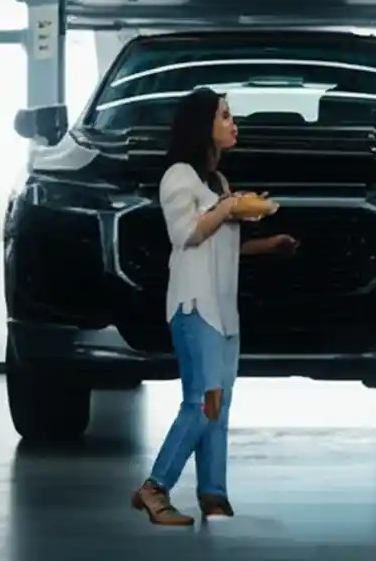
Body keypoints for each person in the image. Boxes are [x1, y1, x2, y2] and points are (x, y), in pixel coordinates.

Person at [131, 87, 298, 526]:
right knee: (203, 401)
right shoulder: (178, 177)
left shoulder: (217, 183)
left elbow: (227, 248)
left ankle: (213, 493)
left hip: (224, 311)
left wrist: (268, 245)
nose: (233, 123)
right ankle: (154, 488)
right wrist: (228, 208)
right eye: (225, 116)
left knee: (218, 405)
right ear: (202, 125)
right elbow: (186, 235)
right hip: (194, 305)